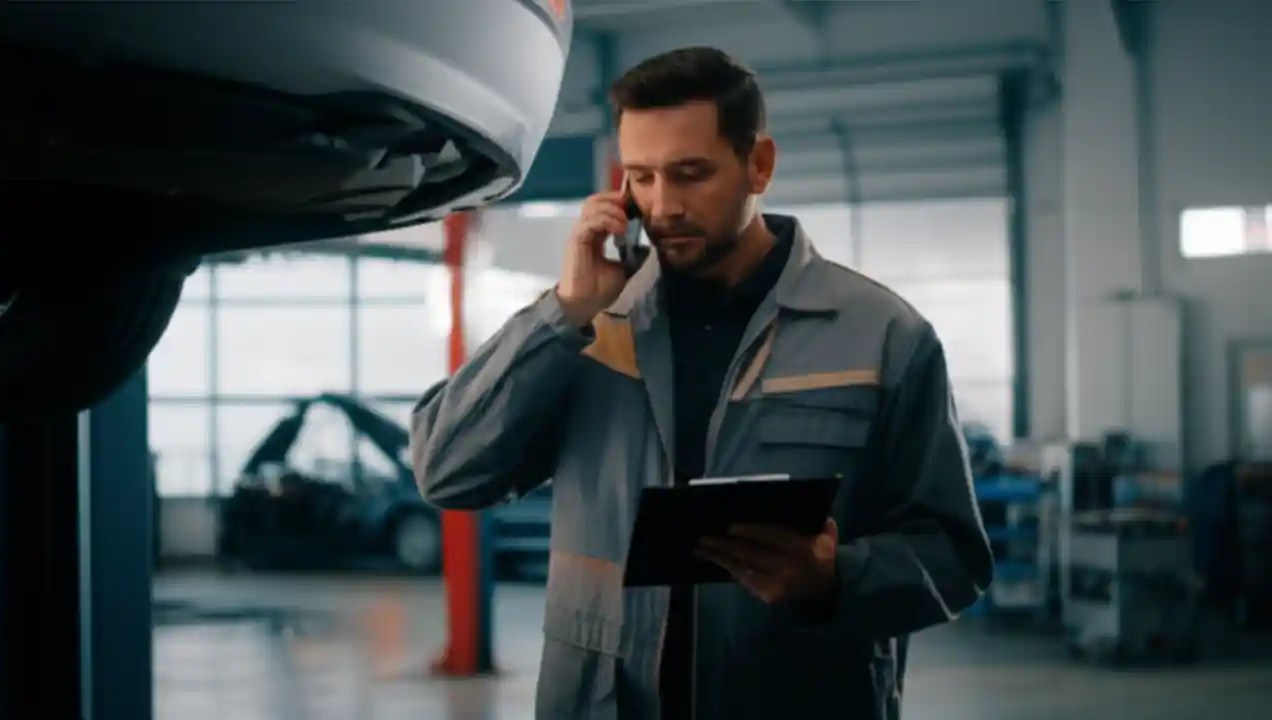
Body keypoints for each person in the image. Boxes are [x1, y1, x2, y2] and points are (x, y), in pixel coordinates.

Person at [411, 46, 994, 720]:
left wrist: (834, 579)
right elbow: (446, 471)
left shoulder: (883, 336)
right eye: (643, 177)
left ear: (759, 165)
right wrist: (563, 313)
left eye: (691, 175)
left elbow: (953, 555)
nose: (664, 206)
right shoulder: (588, 328)